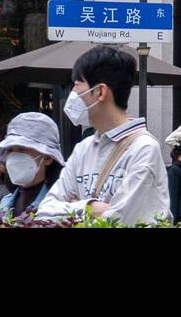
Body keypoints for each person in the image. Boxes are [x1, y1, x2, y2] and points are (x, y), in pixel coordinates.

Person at [35, 45, 171, 226]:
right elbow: (45, 211)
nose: (73, 93)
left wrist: (73, 207)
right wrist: (92, 207)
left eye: (77, 84)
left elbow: (120, 220)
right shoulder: (83, 148)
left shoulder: (143, 149)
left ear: (100, 92)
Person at [0, 112, 66, 218]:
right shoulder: (5, 203)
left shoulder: (62, 206)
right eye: (10, 150)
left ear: (48, 158)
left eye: (22, 149)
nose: (14, 157)